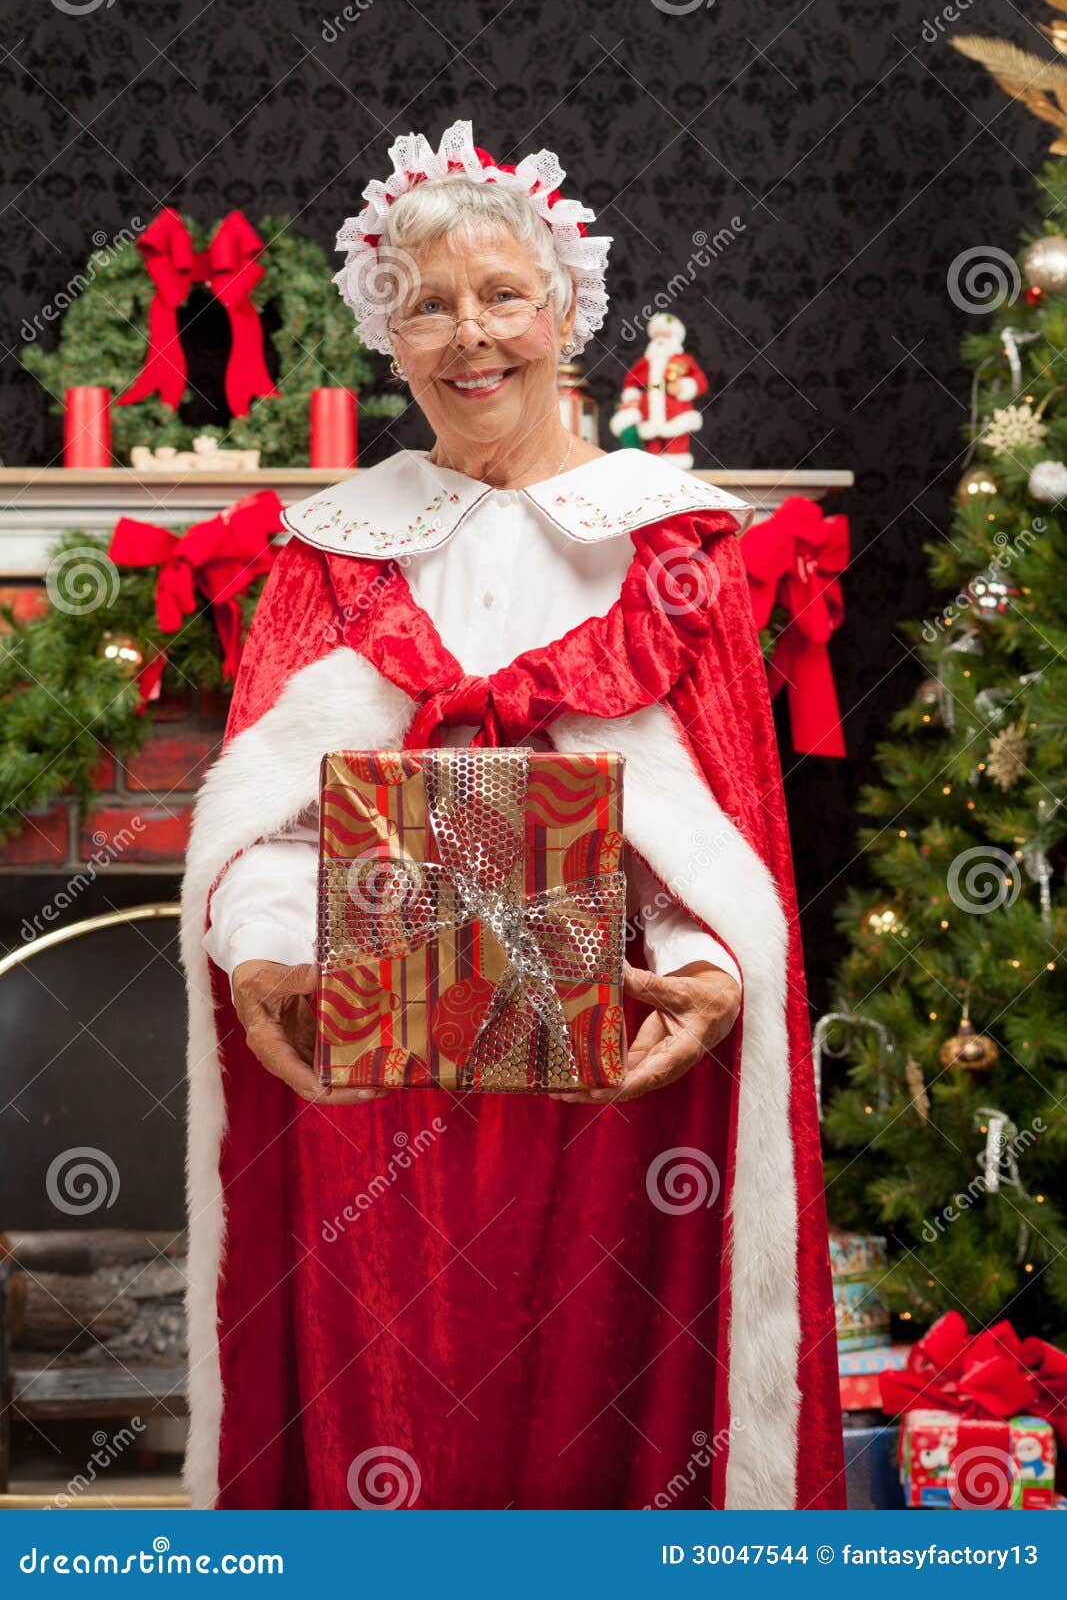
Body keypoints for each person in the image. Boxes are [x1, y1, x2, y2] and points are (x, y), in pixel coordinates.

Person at [180, 119, 845, 1511]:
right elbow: (263, 828)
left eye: (501, 295)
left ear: (566, 313)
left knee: (604, 1440)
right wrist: (258, 959)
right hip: (375, 1111)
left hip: (620, 1103)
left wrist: (713, 978)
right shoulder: (330, 554)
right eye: (426, 304)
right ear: (389, 335)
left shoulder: (675, 547)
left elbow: (719, 848)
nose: (468, 335)